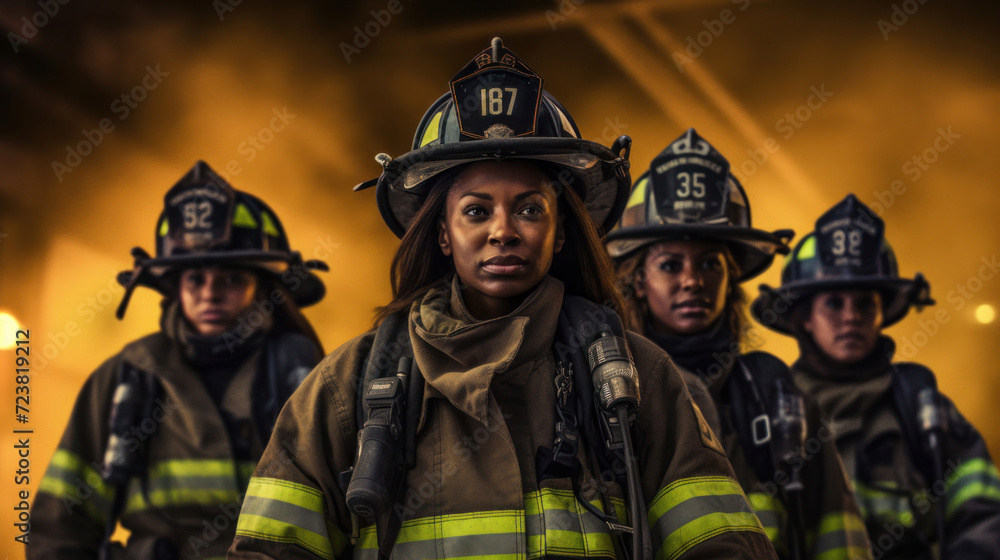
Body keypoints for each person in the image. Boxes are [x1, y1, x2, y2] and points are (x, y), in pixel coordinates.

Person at [228, 39, 777, 560]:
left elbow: (720, 545)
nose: (503, 231)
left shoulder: (638, 379)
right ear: (441, 233)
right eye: (475, 210)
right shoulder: (348, 386)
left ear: (562, 231)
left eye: (531, 209)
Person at [29, 161, 329, 560]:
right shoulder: (127, 377)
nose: (210, 293)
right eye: (195, 279)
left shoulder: (303, 376)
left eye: (231, 279)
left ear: (263, 287)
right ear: (174, 287)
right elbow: (61, 525)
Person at [607, 129, 871, 560]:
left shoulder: (781, 396)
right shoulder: (611, 388)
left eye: (710, 264)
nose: (693, 281)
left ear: (731, 280)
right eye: (670, 265)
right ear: (637, 280)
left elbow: (837, 535)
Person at [751, 194, 1000, 559]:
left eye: (865, 303)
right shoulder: (768, 411)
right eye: (834, 303)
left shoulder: (924, 409)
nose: (851, 316)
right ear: (802, 317)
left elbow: (984, 518)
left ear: (883, 312)